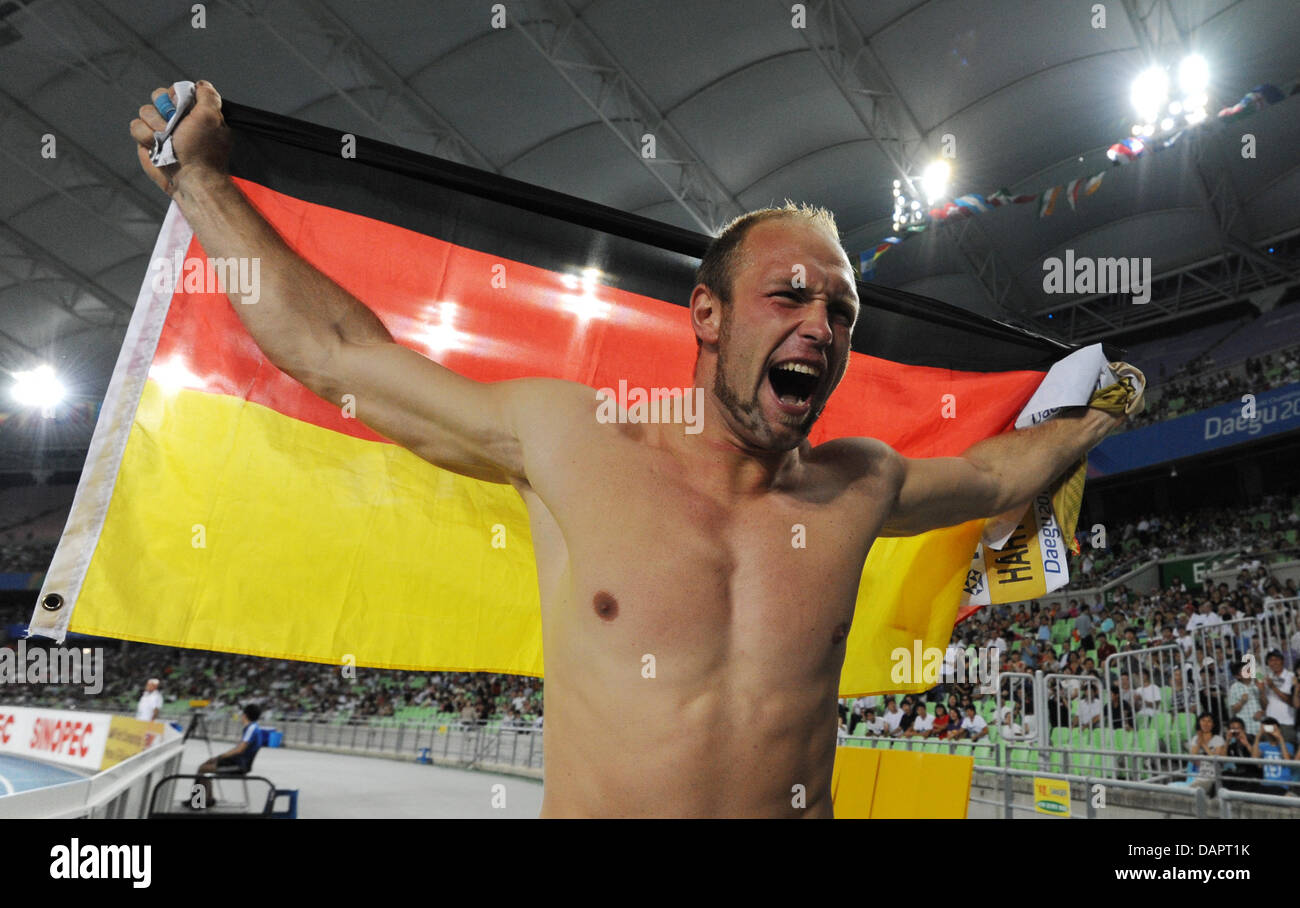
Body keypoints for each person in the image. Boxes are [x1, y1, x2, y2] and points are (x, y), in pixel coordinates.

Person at [130, 81, 1139, 818]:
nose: (823, 324)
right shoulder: (573, 436)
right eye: (789, 295)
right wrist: (202, 182)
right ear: (706, 313)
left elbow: (1002, 470)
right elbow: (337, 352)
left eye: (841, 309)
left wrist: (1101, 408)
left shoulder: (860, 482)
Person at [195, 704, 263, 807]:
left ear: (245, 715)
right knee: (206, 764)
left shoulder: (252, 728)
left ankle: (200, 801)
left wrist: (219, 757)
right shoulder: (253, 727)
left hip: (240, 765)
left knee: (204, 769)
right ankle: (206, 799)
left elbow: (239, 749)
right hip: (237, 761)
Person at [1250, 719, 1294, 795]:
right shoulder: (1262, 745)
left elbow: (1287, 760)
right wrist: (1258, 736)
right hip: (1265, 784)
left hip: (1281, 785)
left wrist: (1280, 738)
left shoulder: (1288, 745)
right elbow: (1254, 758)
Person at [1186, 712, 1226, 794]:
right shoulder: (1195, 738)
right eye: (1203, 720)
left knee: (1191, 791)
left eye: (1209, 721)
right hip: (1199, 776)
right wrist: (1199, 741)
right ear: (1199, 722)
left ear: (1213, 724)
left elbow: (1216, 760)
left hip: (1213, 777)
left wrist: (1203, 744)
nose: (1205, 724)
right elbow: (1192, 759)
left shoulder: (1218, 739)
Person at [1220, 717, 1261, 794]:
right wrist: (1227, 741)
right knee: (1225, 775)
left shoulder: (1252, 738)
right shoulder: (1232, 744)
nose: (1236, 732)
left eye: (1238, 729)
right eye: (1233, 729)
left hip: (1255, 773)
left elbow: (1258, 759)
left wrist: (1246, 744)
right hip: (1241, 773)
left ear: (1244, 729)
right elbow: (1223, 760)